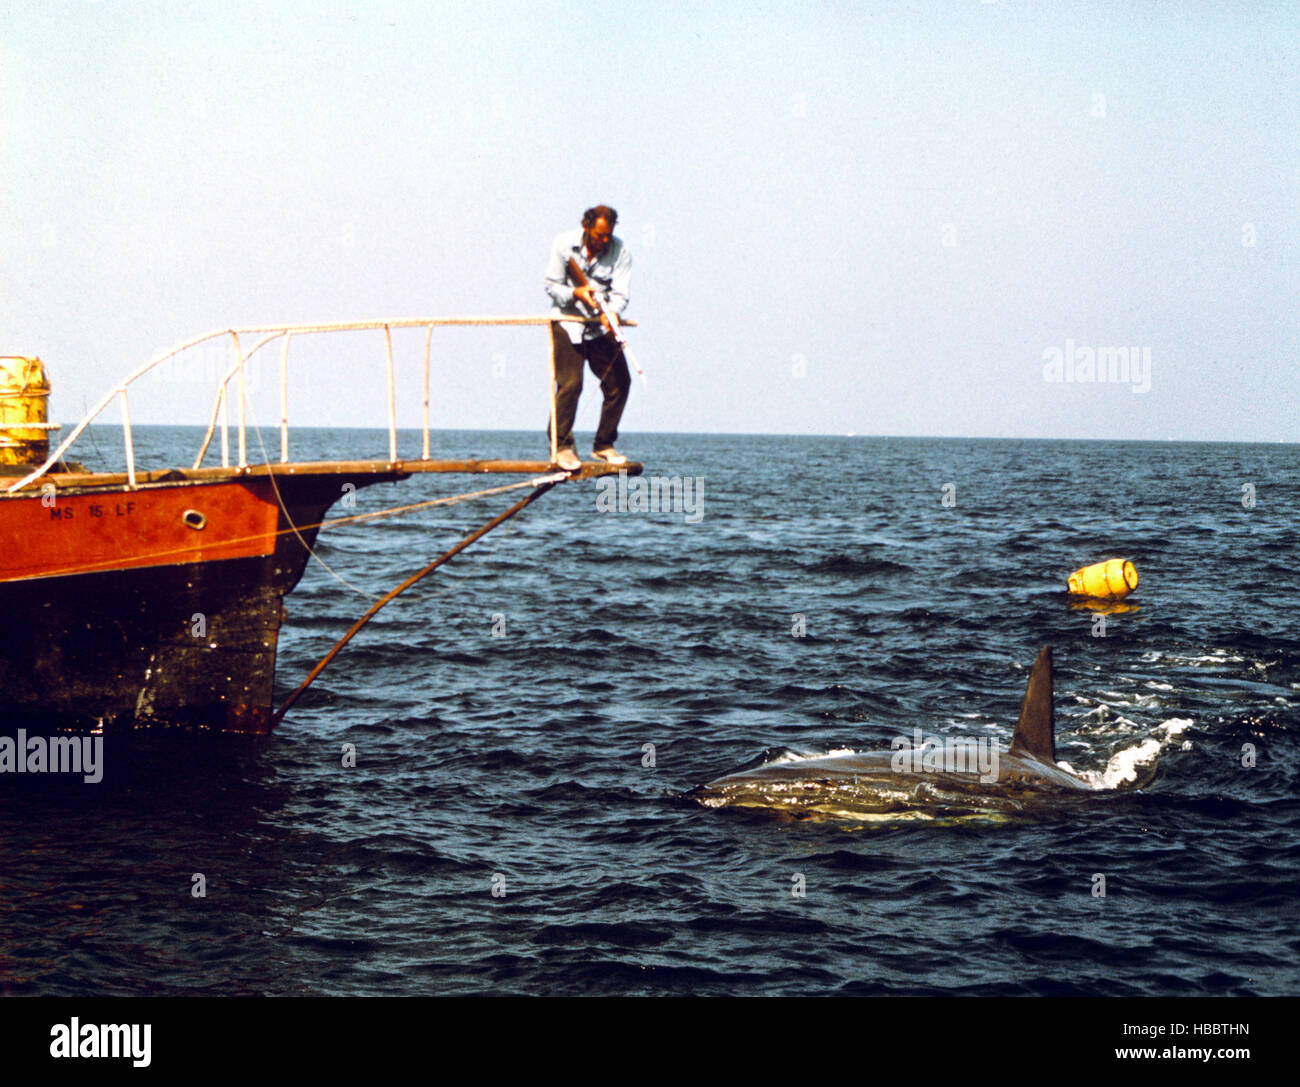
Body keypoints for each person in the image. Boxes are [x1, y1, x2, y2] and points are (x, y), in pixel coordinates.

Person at [544, 204, 632, 470]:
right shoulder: (563, 244)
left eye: (608, 235)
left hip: (599, 326)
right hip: (567, 322)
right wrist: (576, 294)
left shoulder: (621, 251)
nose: (604, 241)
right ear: (586, 227)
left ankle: (603, 444)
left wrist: (613, 313)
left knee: (620, 382)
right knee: (571, 384)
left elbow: (620, 293)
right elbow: (551, 285)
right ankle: (561, 446)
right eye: (598, 235)